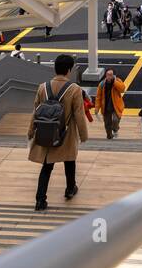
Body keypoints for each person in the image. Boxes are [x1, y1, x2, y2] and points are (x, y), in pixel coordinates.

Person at [27, 54, 90, 212]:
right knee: (69, 160)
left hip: (46, 132)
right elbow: (79, 114)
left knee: (46, 167)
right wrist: (83, 135)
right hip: (65, 133)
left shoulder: (43, 87)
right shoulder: (74, 89)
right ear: (69, 70)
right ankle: (70, 189)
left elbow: (35, 111)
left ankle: (40, 200)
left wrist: (30, 131)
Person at [95, 68, 127, 139]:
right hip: (106, 106)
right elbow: (98, 97)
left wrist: (114, 82)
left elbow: (122, 89)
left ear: (113, 75)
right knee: (107, 124)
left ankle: (115, 129)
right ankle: (109, 136)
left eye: (111, 75)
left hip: (116, 106)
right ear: (105, 75)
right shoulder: (102, 84)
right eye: (108, 74)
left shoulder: (117, 81)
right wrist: (97, 108)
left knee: (115, 120)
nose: (109, 76)